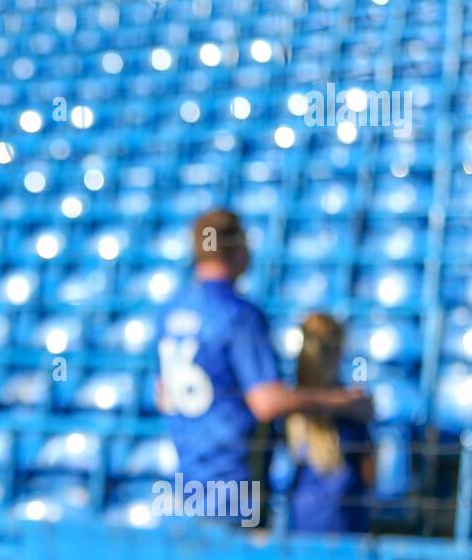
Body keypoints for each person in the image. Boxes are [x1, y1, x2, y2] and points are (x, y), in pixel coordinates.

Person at [154, 209, 371, 521]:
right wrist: (338, 402)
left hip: (186, 486)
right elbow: (265, 402)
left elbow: (163, 395)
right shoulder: (238, 314)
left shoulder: (170, 311)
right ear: (238, 248)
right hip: (233, 490)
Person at [285, 313, 373, 533]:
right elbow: (369, 472)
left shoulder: (289, 404)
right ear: (337, 352)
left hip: (300, 526)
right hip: (342, 527)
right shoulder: (352, 409)